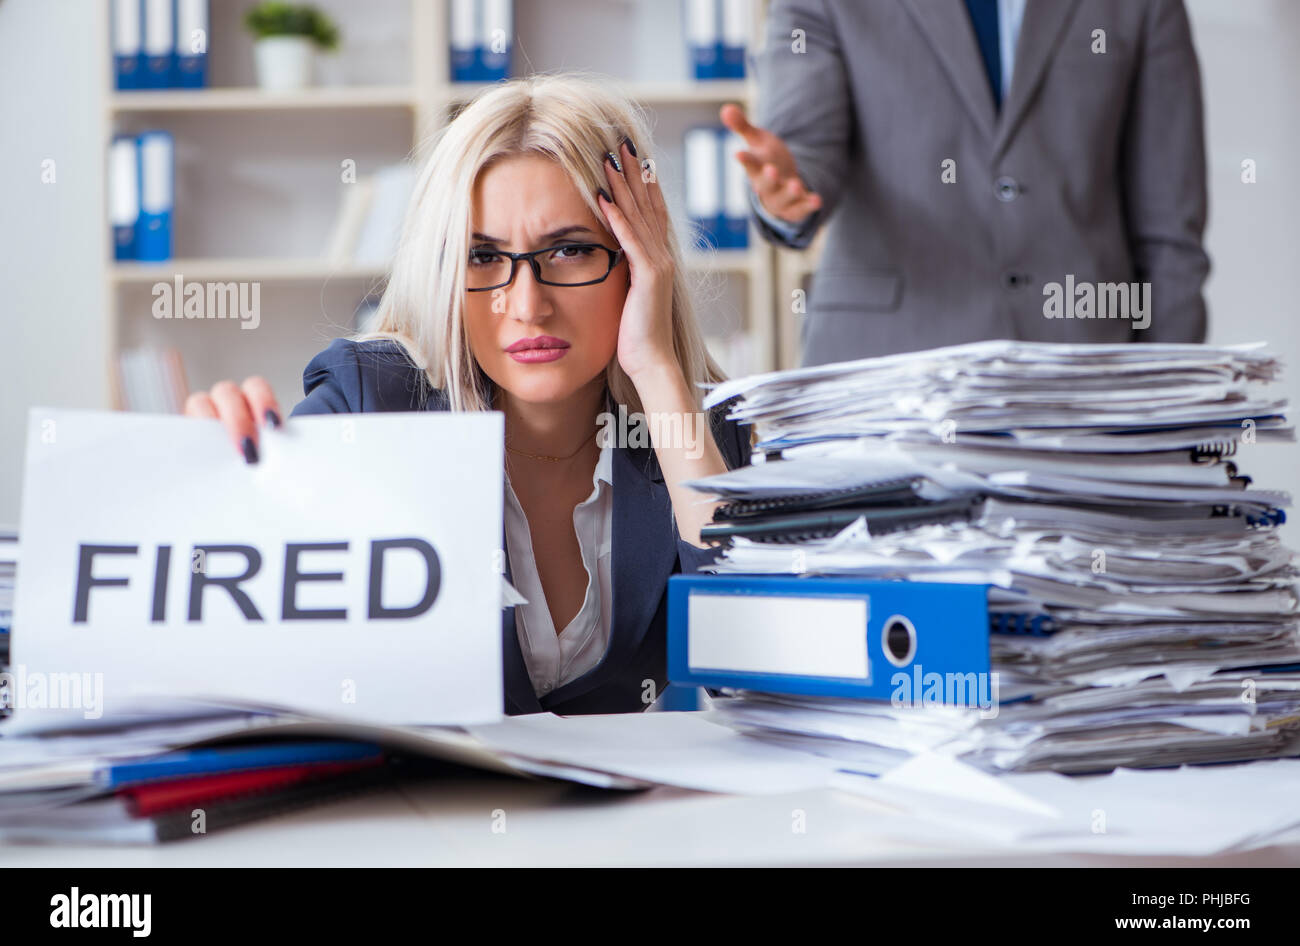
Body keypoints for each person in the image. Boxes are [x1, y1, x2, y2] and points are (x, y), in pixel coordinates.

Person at [183, 75, 751, 716]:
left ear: (638, 259)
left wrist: (655, 367)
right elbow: (230, 623)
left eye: (568, 250)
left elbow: (755, 670)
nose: (528, 306)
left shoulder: (698, 438)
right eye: (483, 257)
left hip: (615, 814)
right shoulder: (373, 402)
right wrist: (214, 486)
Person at [722, 0, 1210, 365]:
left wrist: (1171, 409)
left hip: (1082, 374)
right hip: (882, 377)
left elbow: (1171, 237)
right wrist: (785, 189)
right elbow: (802, 151)